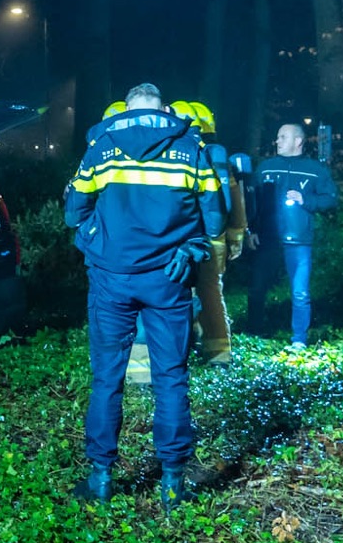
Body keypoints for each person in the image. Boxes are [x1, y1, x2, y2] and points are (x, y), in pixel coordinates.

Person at [64, 83, 225, 508]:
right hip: (169, 280)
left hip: (111, 279)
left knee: (107, 378)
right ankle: (173, 483)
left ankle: (100, 479)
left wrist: (96, 240)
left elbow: (72, 212)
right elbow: (215, 218)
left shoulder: (102, 146)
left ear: (125, 109)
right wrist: (190, 245)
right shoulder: (190, 147)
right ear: (164, 109)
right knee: (170, 376)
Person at [246, 122, 339, 347]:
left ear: (298, 141)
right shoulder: (266, 168)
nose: (277, 141)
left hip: (299, 241)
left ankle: (299, 340)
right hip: (268, 239)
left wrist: (306, 200)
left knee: (300, 293)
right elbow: (251, 202)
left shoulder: (315, 169)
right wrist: (251, 229)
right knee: (257, 289)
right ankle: (252, 336)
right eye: (277, 137)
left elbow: (331, 199)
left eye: (283, 137)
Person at [175, 101, 246, 365]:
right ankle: (219, 354)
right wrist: (236, 239)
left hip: (183, 239)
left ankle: (180, 349)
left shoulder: (177, 152)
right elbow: (235, 203)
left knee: (177, 295)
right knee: (212, 294)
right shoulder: (218, 156)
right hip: (214, 241)